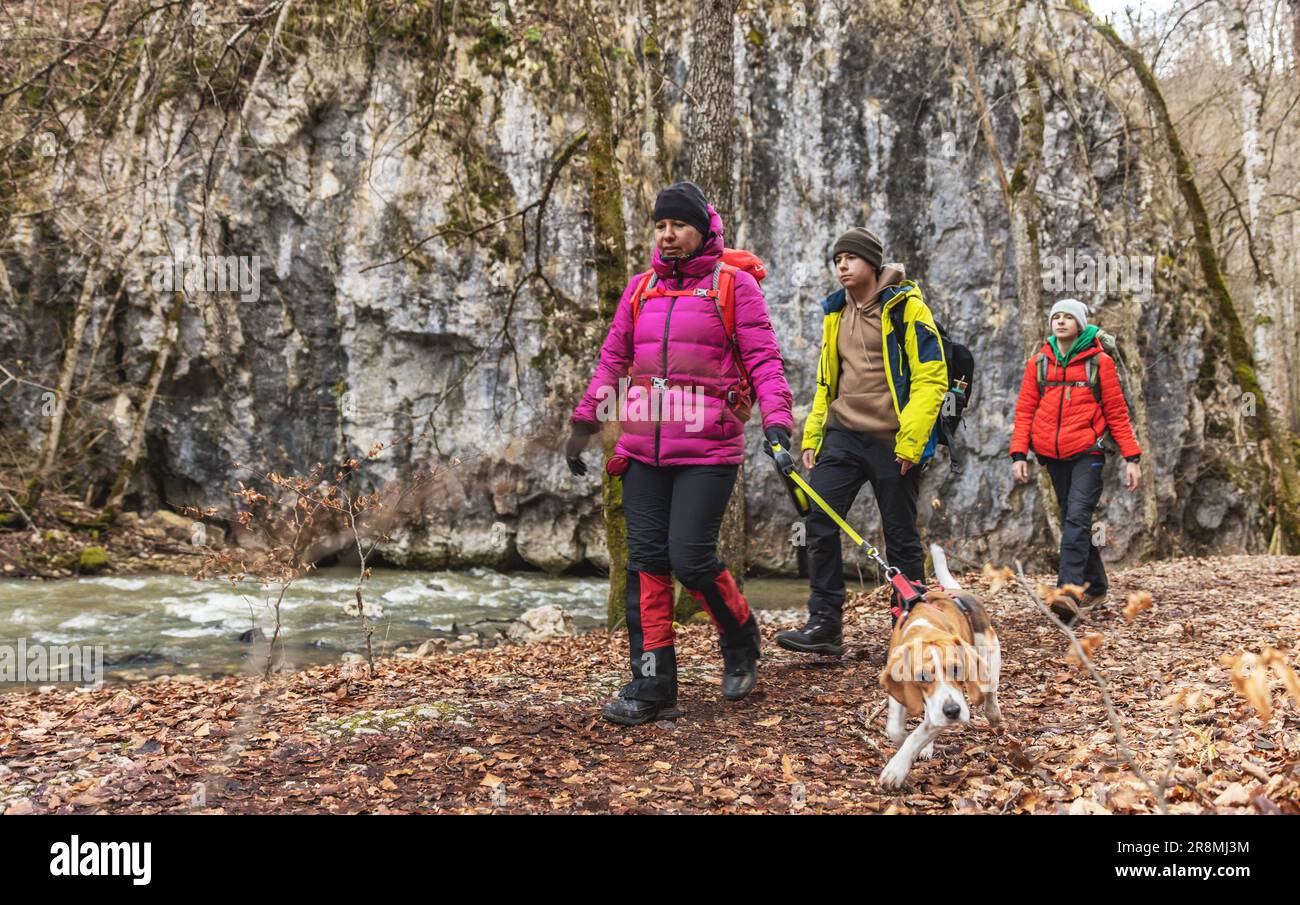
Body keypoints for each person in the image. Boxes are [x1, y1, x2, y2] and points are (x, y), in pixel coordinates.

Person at [566, 181, 795, 725]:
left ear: (702, 229)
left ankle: (739, 637)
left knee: (689, 557)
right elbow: (613, 358)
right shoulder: (641, 288)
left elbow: (765, 360)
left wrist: (778, 424)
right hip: (643, 447)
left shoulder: (733, 286)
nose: (668, 236)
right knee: (647, 563)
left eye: (679, 226)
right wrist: (584, 419)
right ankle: (652, 684)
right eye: (661, 226)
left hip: (708, 448)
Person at [776, 227, 948, 656]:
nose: (842, 267)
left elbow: (931, 375)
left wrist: (912, 441)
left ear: (872, 263)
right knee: (819, 517)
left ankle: (910, 624)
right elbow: (824, 381)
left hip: (894, 440)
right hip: (843, 435)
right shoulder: (835, 313)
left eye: (850, 258)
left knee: (901, 534)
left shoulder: (907, 308)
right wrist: (814, 433)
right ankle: (825, 623)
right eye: (837, 260)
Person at [1009, 298, 1142, 625]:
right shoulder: (1038, 363)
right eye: (1057, 316)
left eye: (1069, 317)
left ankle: (1067, 594)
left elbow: (1116, 412)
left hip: (1088, 452)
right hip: (1051, 455)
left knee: (1077, 517)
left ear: (1080, 324)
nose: (1061, 322)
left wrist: (1132, 457)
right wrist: (1018, 453)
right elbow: (1025, 409)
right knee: (1075, 519)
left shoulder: (1099, 363)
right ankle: (1096, 585)